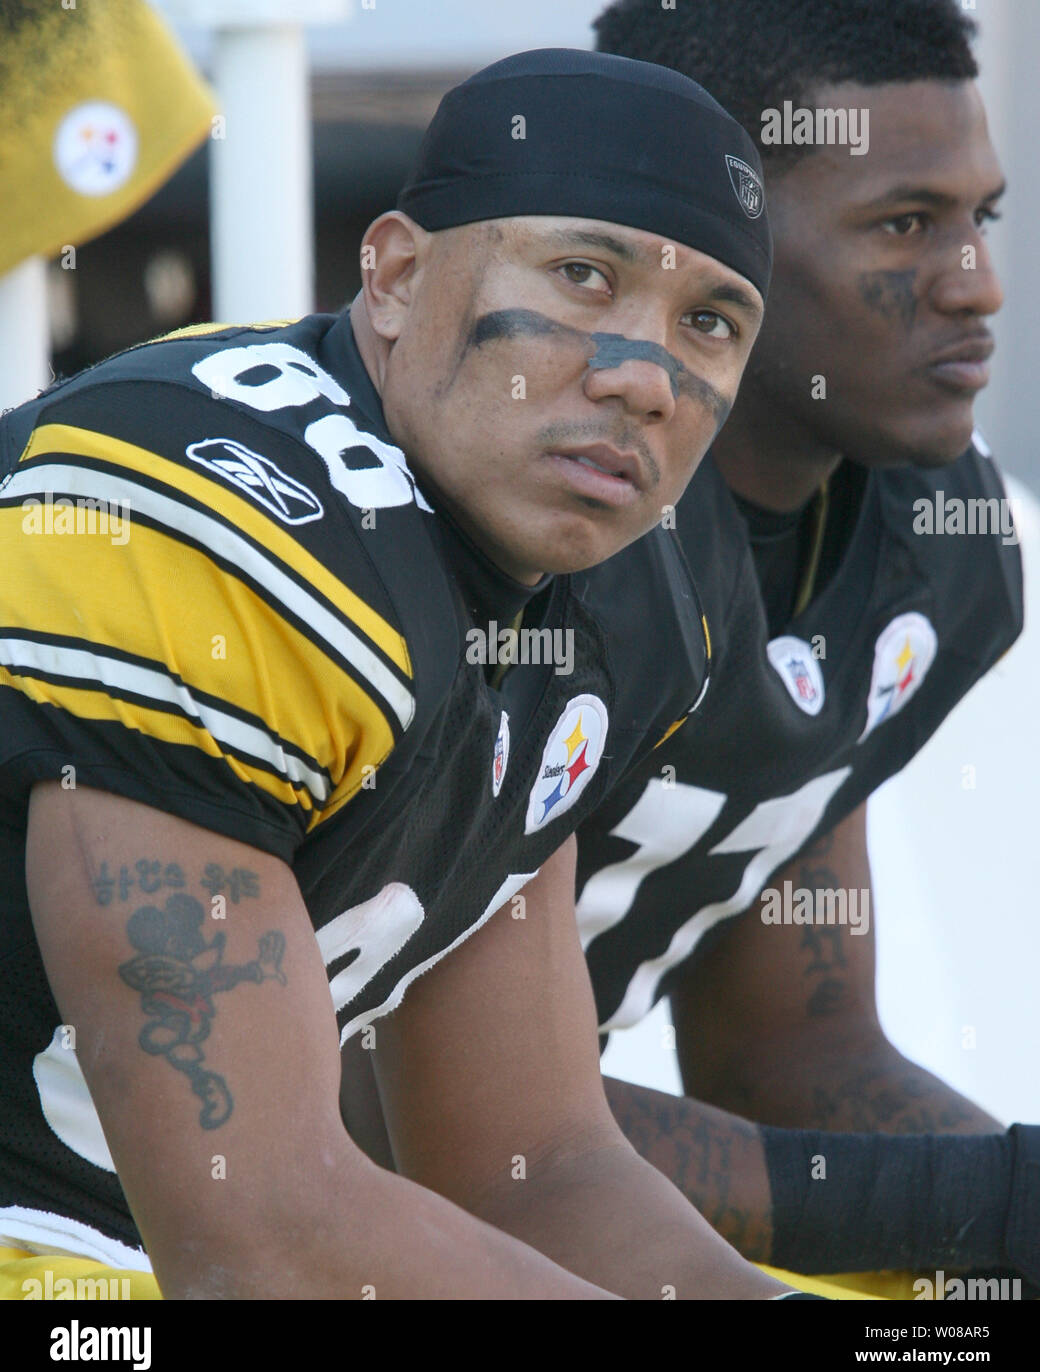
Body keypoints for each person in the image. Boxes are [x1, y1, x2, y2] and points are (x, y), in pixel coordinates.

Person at [0, 49, 806, 1301]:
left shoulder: (620, 601)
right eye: (582, 274)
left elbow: (532, 1169)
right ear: (393, 275)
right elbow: (260, 1237)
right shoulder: (207, 519)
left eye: (708, 322)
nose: (644, 375)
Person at [570, 0, 1037, 1296]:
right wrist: (996, 1207)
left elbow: (790, 1052)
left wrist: (1003, 1220)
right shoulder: (534, 531)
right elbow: (422, 1118)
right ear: (701, 239)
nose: (977, 284)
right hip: (131, 1214)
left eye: (980, 216)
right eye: (904, 223)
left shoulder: (921, 531)